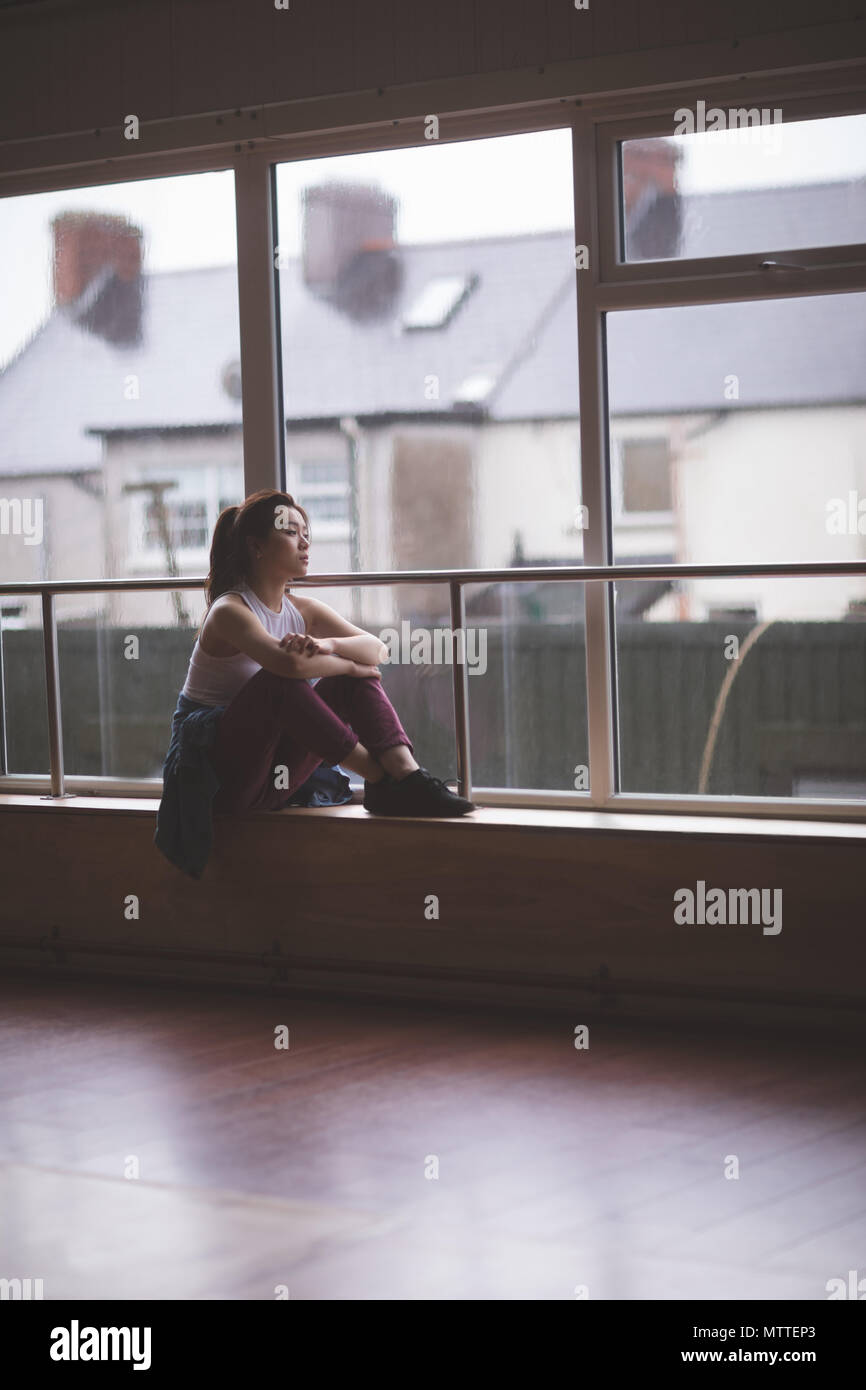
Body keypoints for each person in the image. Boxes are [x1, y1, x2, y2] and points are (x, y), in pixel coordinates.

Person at [154, 490, 475, 878]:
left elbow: (376, 650)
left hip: (274, 773)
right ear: (256, 546)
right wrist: (349, 666)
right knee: (284, 684)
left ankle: (404, 773)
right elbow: (286, 665)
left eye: (307, 533)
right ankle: (381, 778)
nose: (305, 542)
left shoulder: (301, 610)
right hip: (218, 781)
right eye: (291, 532)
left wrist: (330, 645)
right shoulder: (229, 610)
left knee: (348, 683)